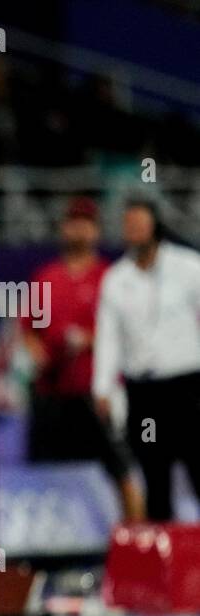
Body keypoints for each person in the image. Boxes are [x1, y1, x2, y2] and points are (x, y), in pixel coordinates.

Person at [23, 198, 142, 519]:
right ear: (62, 228)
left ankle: (136, 539)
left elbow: (129, 331)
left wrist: (88, 339)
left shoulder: (112, 277)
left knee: (121, 469)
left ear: (97, 231)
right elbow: (28, 330)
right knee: (46, 473)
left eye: (85, 223)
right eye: (72, 222)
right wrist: (35, 353)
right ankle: (51, 550)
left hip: (97, 391)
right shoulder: (45, 277)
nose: (78, 229)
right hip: (53, 391)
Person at [93, 199, 200, 522]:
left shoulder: (188, 267)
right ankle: (165, 562)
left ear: (156, 227)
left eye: (140, 225)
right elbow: (108, 337)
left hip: (188, 387)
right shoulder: (116, 279)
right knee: (154, 474)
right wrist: (102, 386)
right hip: (145, 394)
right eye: (128, 227)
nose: (134, 232)